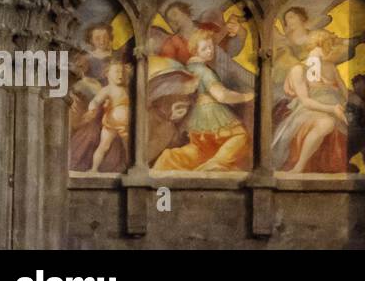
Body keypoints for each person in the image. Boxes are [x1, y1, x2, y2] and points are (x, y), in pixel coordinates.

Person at [152, 28, 256, 172]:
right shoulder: (204, 71)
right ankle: (217, 163)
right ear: (195, 50)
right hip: (212, 114)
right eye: (205, 48)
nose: (210, 51)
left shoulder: (189, 69)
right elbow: (221, 95)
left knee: (201, 150)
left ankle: (170, 158)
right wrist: (246, 96)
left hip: (196, 118)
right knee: (240, 137)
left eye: (211, 47)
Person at [271, 29, 350, 173]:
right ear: (319, 44)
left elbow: (345, 94)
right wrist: (332, 109)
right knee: (327, 123)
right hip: (310, 112)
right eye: (329, 44)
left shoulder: (331, 67)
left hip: (338, 109)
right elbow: (306, 101)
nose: (332, 49)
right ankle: (299, 167)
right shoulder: (299, 69)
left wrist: (345, 107)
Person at [84, 58, 132, 172]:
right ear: (107, 74)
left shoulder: (127, 89)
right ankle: (94, 168)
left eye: (122, 72)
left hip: (126, 125)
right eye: (116, 71)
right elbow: (96, 100)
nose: (120, 75)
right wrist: (92, 107)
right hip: (111, 123)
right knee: (103, 146)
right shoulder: (108, 89)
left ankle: (130, 169)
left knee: (129, 148)